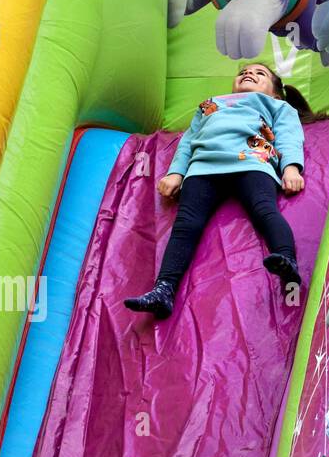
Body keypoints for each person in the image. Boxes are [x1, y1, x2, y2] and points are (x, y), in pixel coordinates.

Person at [124, 62, 309, 320]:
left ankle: (286, 260)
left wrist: (291, 168)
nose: (248, 74)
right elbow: (188, 141)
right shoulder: (211, 104)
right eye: (244, 71)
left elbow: (289, 135)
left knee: (264, 209)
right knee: (185, 226)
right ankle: (163, 288)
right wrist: (175, 172)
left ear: (275, 93)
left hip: (252, 161)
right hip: (204, 167)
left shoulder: (276, 105)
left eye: (260, 74)